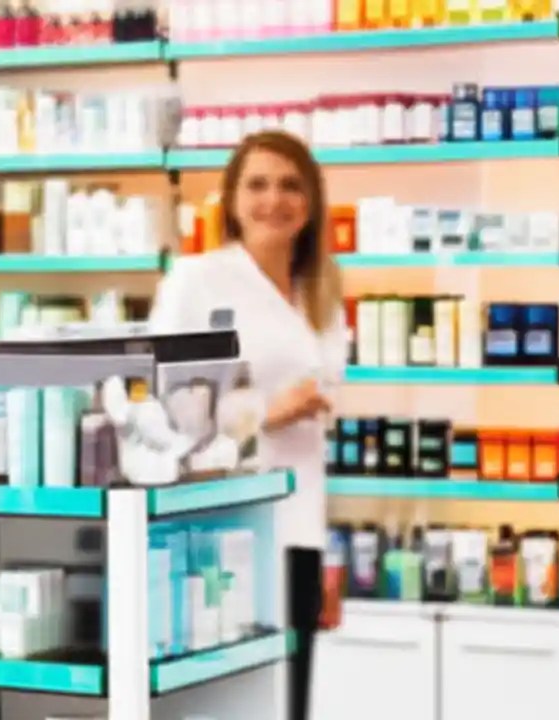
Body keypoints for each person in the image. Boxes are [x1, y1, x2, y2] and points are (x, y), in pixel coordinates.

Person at [149, 130, 346, 720]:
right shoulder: (197, 280)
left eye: (291, 185)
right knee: (232, 705)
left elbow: (317, 444)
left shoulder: (322, 294)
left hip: (300, 536)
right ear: (231, 199)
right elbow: (160, 412)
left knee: (291, 704)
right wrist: (264, 415)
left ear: (311, 201)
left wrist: (328, 555)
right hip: (226, 532)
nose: (274, 200)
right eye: (257, 184)